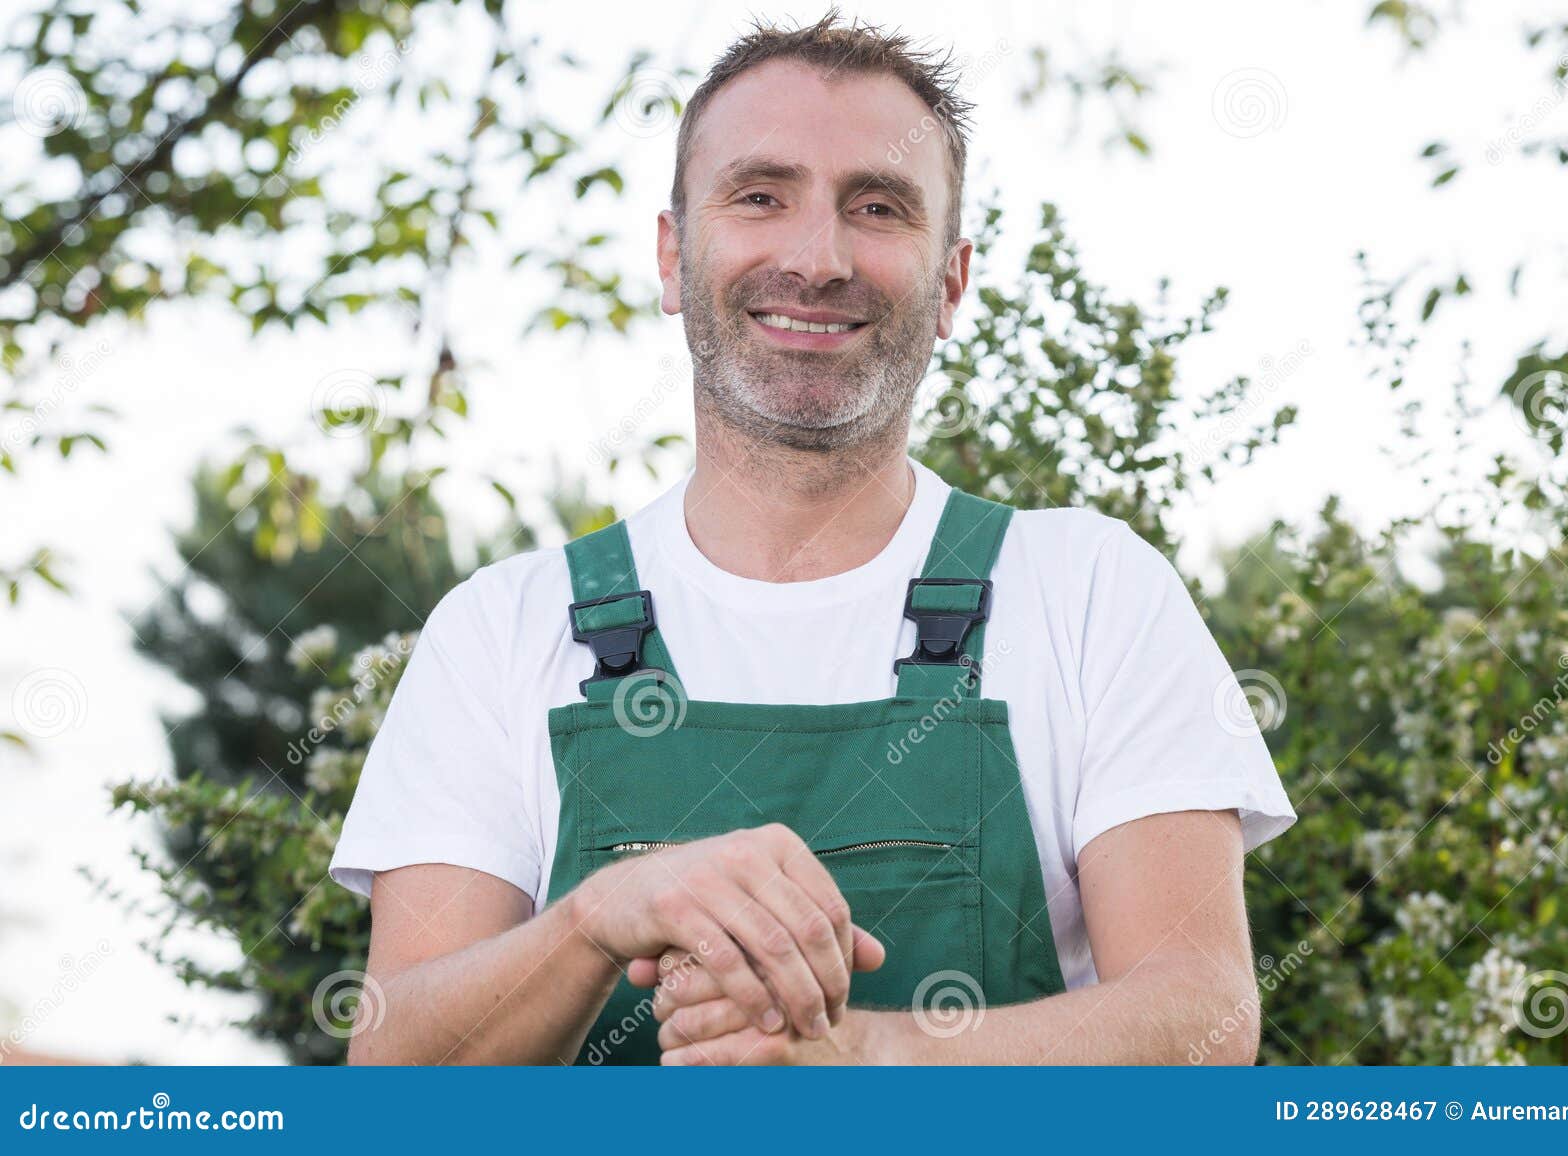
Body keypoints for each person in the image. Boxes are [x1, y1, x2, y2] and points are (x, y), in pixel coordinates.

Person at [328, 10, 1296, 1066]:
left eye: (877, 208)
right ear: (672, 255)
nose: (817, 258)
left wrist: (859, 1058)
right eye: (760, 196)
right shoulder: (500, 630)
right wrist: (597, 918)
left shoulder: (1092, 591)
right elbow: (394, 1076)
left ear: (950, 283)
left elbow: (1201, 1023)